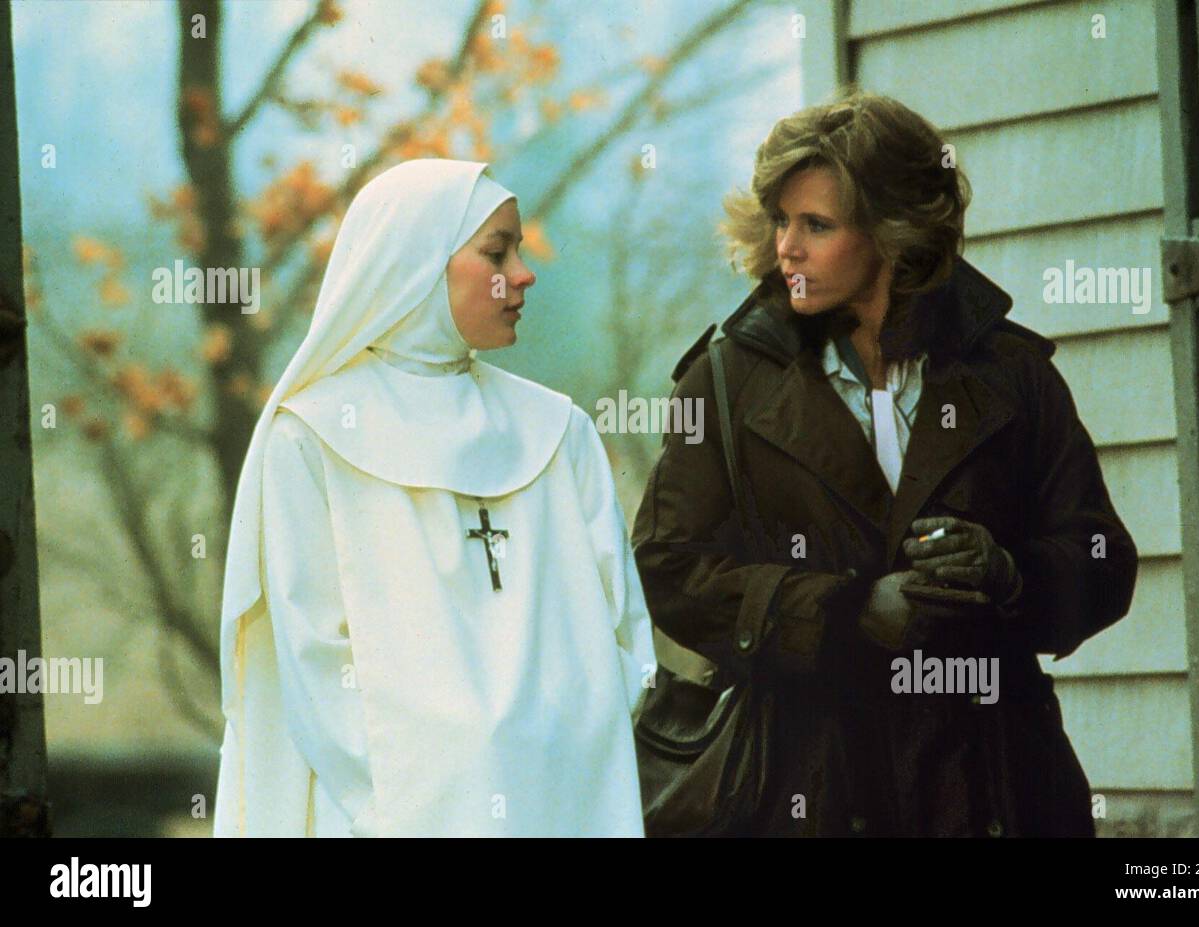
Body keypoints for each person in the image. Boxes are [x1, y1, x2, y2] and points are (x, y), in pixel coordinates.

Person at [631, 92, 1139, 836]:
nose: (787, 249)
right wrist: (848, 611)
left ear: (894, 235)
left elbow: (1102, 559)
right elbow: (670, 565)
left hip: (991, 781)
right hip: (807, 785)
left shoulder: (1012, 374)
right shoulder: (725, 379)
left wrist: (1007, 574)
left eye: (818, 225)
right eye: (781, 220)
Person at [213, 159, 656, 837]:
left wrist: (559, 744)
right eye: (496, 250)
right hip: (381, 809)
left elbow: (624, 631)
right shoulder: (308, 439)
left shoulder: (559, 432)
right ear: (413, 265)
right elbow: (311, 660)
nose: (525, 271)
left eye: (520, 248)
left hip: (565, 798)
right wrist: (438, 779)